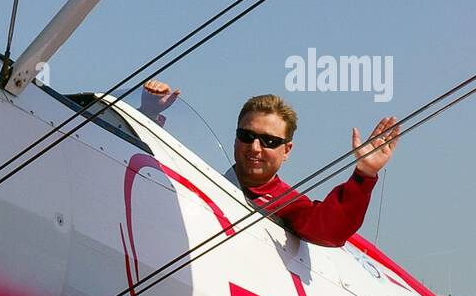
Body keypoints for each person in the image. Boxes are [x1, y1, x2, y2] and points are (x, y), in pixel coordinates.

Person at [139, 83, 399, 248]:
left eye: (269, 141)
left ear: (287, 151)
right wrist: (148, 114)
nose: (254, 148)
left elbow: (329, 231)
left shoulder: (288, 204)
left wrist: (364, 174)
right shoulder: (205, 181)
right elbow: (153, 177)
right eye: (247, 136)